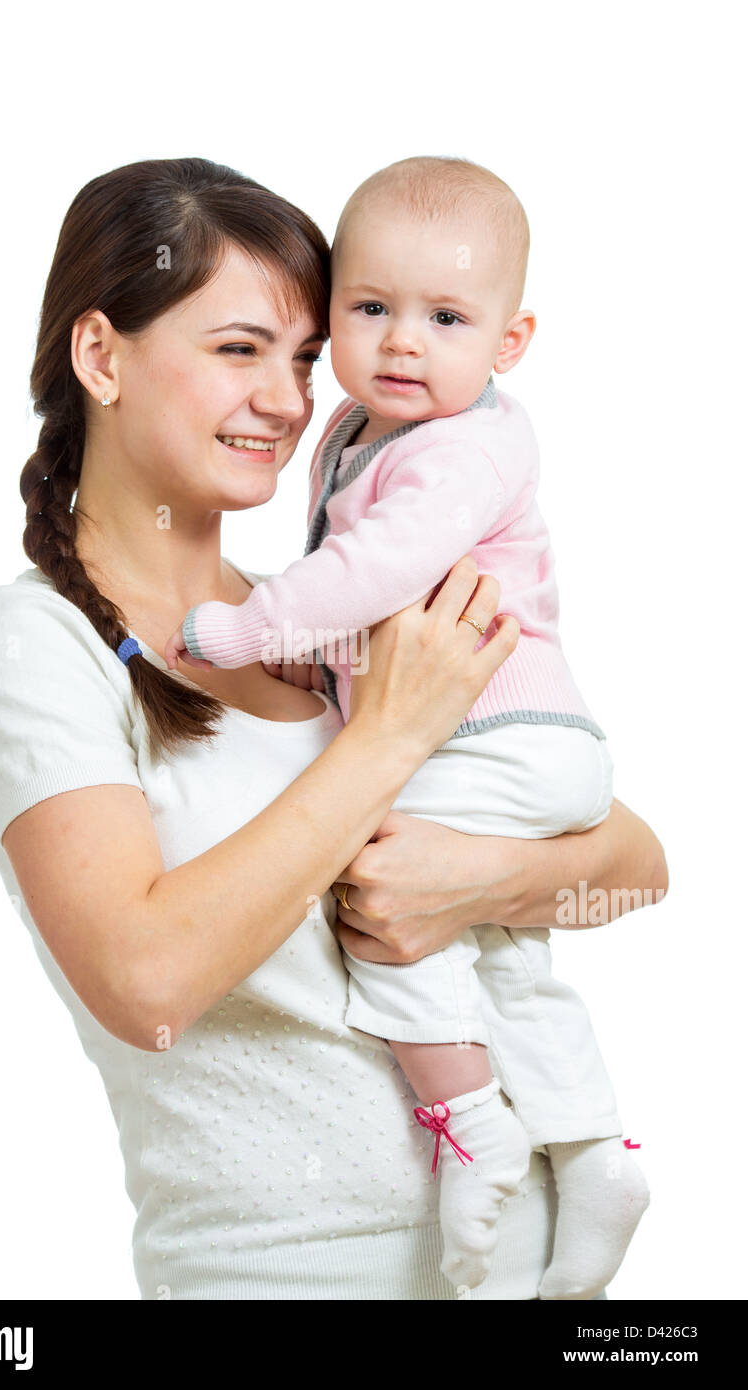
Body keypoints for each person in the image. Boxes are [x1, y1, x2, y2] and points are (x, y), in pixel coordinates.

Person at [0, 157, 668, 1301]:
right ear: (101, 356)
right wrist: (382, 743)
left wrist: (462, 879)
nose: (289, 400)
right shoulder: (34, 645)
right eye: (238, 350)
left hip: (516, 1265)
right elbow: (146, 984)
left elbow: (635, 866)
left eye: (298, 353)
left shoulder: (320, 620)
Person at [167, 155, 651, 1299]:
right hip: (518, 741)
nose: (399, 342)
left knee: (379, 892)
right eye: (369, 308)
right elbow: (367, 607)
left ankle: (470, 1122)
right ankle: (592, 1148)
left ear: (510, 340)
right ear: (329, 309)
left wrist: (252, 629)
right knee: (504, 955)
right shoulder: (369, 424)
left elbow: (374, 567)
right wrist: (307, 640)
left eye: (445, 318)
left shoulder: (463, 447)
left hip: (493, 738)